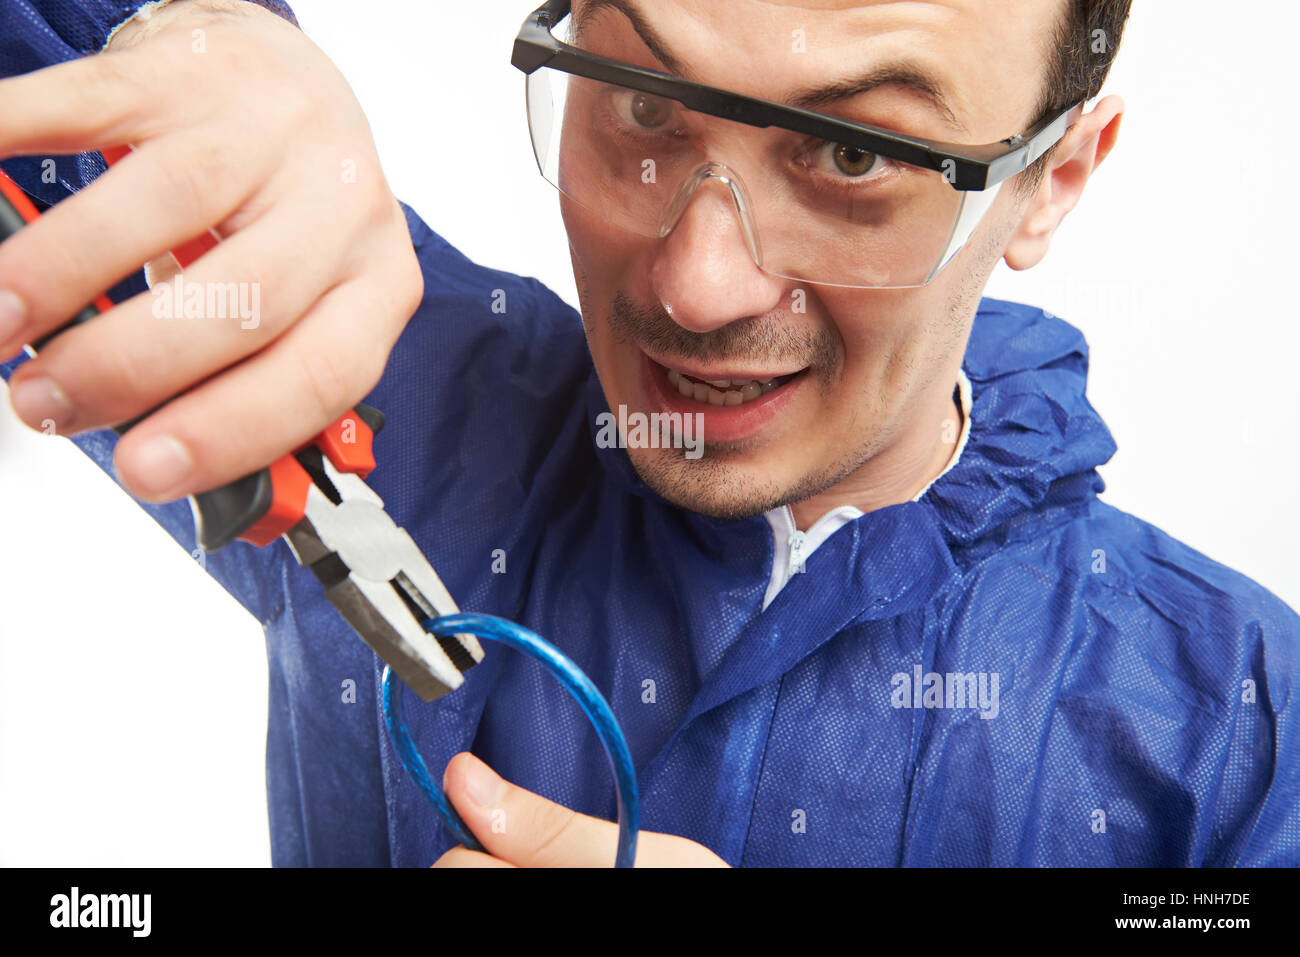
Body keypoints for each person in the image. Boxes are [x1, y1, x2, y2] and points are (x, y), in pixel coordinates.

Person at [0, 0, 1296, 867]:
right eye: (636, 101)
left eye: (854, 159)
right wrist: (181, 39)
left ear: (1051, 179)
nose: (696, 283)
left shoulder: (1239, 722)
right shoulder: (370, 366)